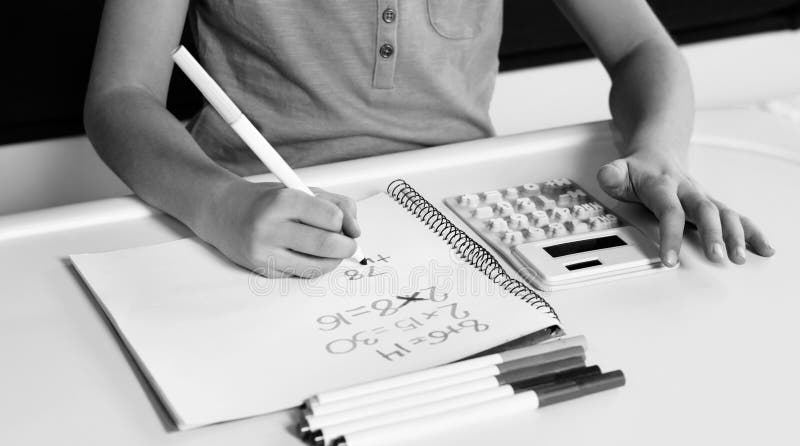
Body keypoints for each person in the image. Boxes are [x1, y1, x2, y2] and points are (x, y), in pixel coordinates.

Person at [84, 0, 774, 278]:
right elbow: (120, 96)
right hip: (241, 219)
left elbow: (641, 50)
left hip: (462, 225)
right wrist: (218, 205)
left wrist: (658, 148)